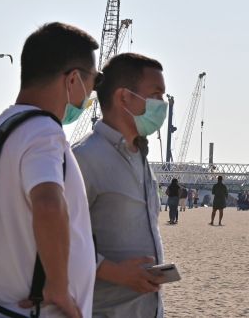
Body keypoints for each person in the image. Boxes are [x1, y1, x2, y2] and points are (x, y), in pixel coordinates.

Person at [0, 22, 99, 318]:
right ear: (73, 79)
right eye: (93, 83)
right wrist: (59, 288)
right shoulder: (43, 133)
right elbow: (49, 203)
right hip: (30, 311)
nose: (89, 96)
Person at [72, 52, 169, 317]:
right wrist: (115, 273)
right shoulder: (83, 159)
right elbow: (57, 240)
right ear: (124, 96)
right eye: (156, 95)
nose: (163, 104)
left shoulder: (141, 156)